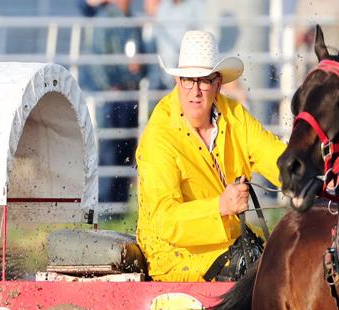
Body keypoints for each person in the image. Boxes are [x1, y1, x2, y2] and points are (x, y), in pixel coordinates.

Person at [135, 30, 287, 282]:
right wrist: (221, 206)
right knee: (257, 274)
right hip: (174, 256)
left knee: (290, 258)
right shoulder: (159, 136)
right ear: (178, 82)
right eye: (188, 80)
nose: (195, 91)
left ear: (217, 84)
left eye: (203, 80)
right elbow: (166, 221)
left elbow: (275, 157)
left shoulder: (234, 115)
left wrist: (312, 176)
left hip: (230, 243)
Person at [79, 0, 147, 207]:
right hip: (112, 96)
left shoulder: (130, 21)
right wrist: (110, 87)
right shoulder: (105, 19)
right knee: (110, 149)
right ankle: (106, 204)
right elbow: (97, 60)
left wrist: (137, 73)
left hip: (128, 94)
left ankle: (118, 205)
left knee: (126, 150)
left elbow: (141, 59)